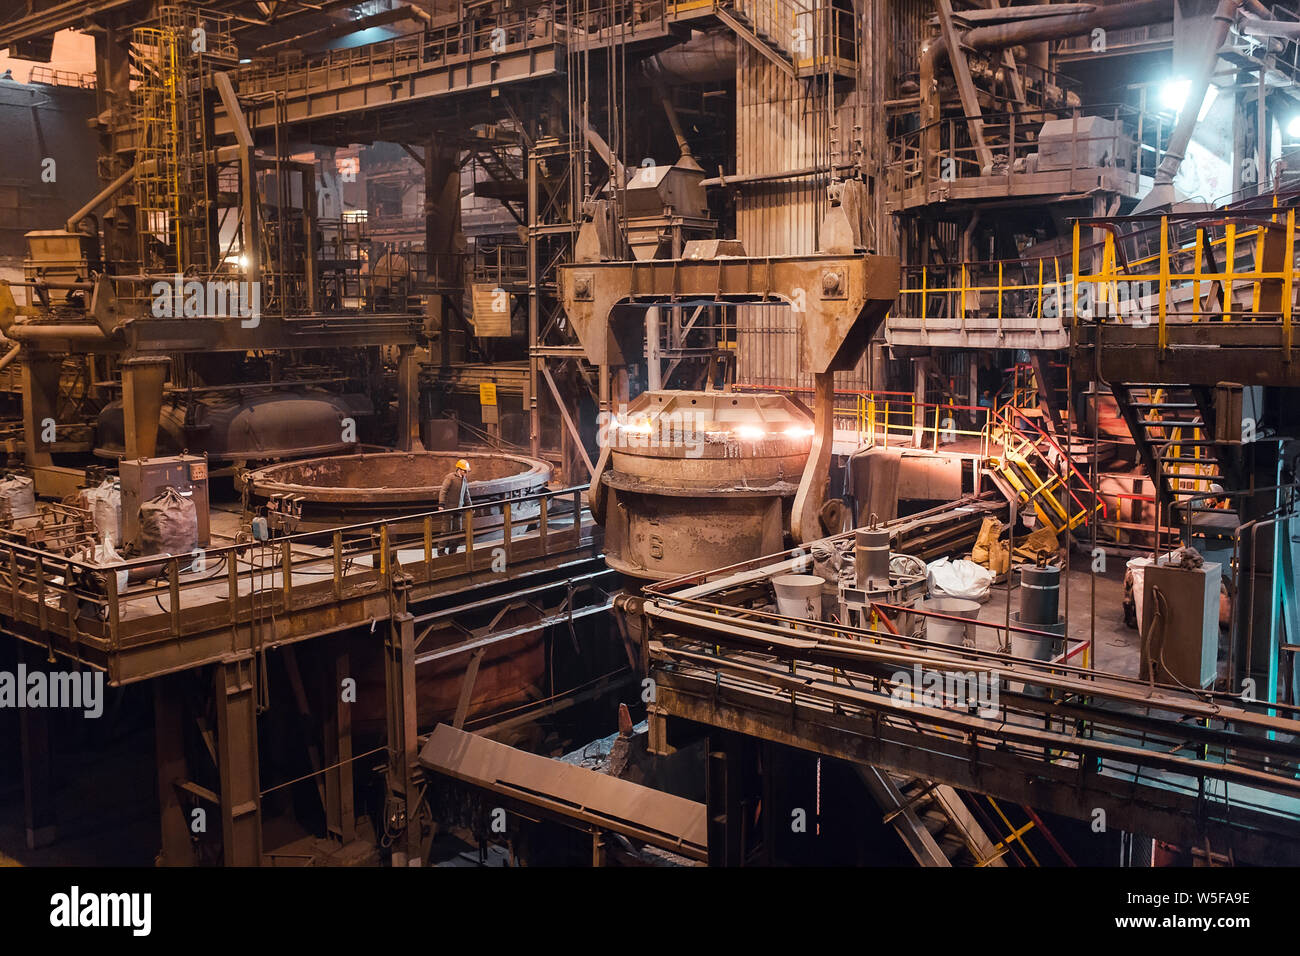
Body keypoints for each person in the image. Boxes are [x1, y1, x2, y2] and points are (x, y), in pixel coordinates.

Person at [438, 459, 471, 555]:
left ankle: (453, 551)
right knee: (445, 530)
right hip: (448, 509)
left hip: (458, 509)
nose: (466, 473)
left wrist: (470, 506)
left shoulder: (464, 480)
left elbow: (466, 494)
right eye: (465, 471)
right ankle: (441, 550)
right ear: (460, 469)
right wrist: (441, 504)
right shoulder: (450, 478)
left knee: (457, 531)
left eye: (467, 471)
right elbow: (443, 491)